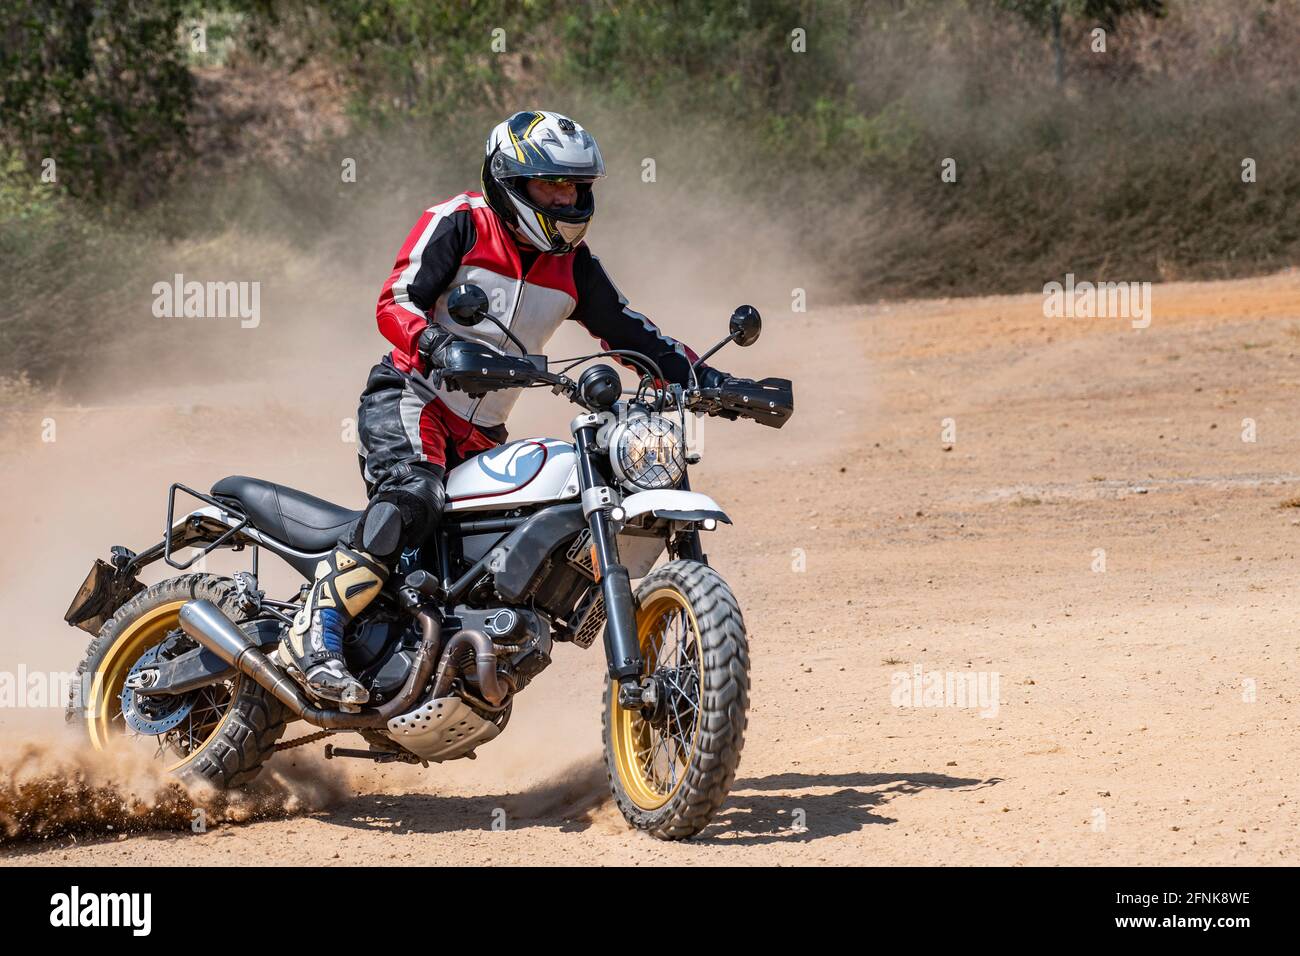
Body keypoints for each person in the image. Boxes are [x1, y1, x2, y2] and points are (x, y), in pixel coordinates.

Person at [281, 110, 746, 705]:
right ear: (509, 181)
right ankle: (314, 634)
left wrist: (712, 380)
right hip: (412, 398)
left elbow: (636, 337)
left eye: (576, 186)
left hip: (484, 432)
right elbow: (395, 301)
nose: (568, 197)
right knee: (414, 498)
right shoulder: (460, 223)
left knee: (507, 545)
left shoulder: (575, 266)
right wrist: (436, 344)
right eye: (553, 184)